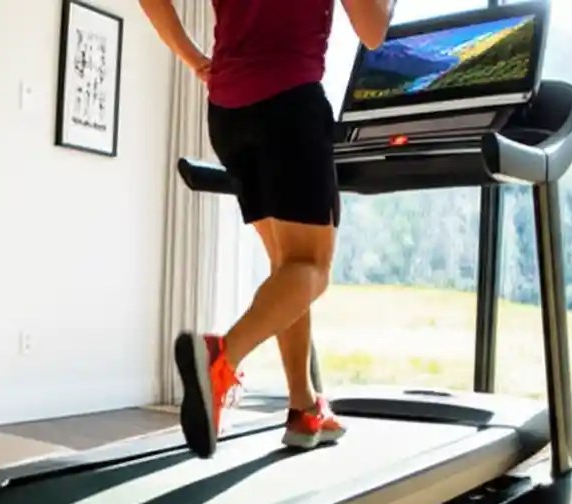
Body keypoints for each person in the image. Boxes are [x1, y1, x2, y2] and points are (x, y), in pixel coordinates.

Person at [140, 0, 397, 458]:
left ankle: (304, 407)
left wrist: (194, 59)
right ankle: (221, 357)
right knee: (313, 268)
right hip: (289, 104)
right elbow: (373, 31)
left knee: (288, 267)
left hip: (228, 111)